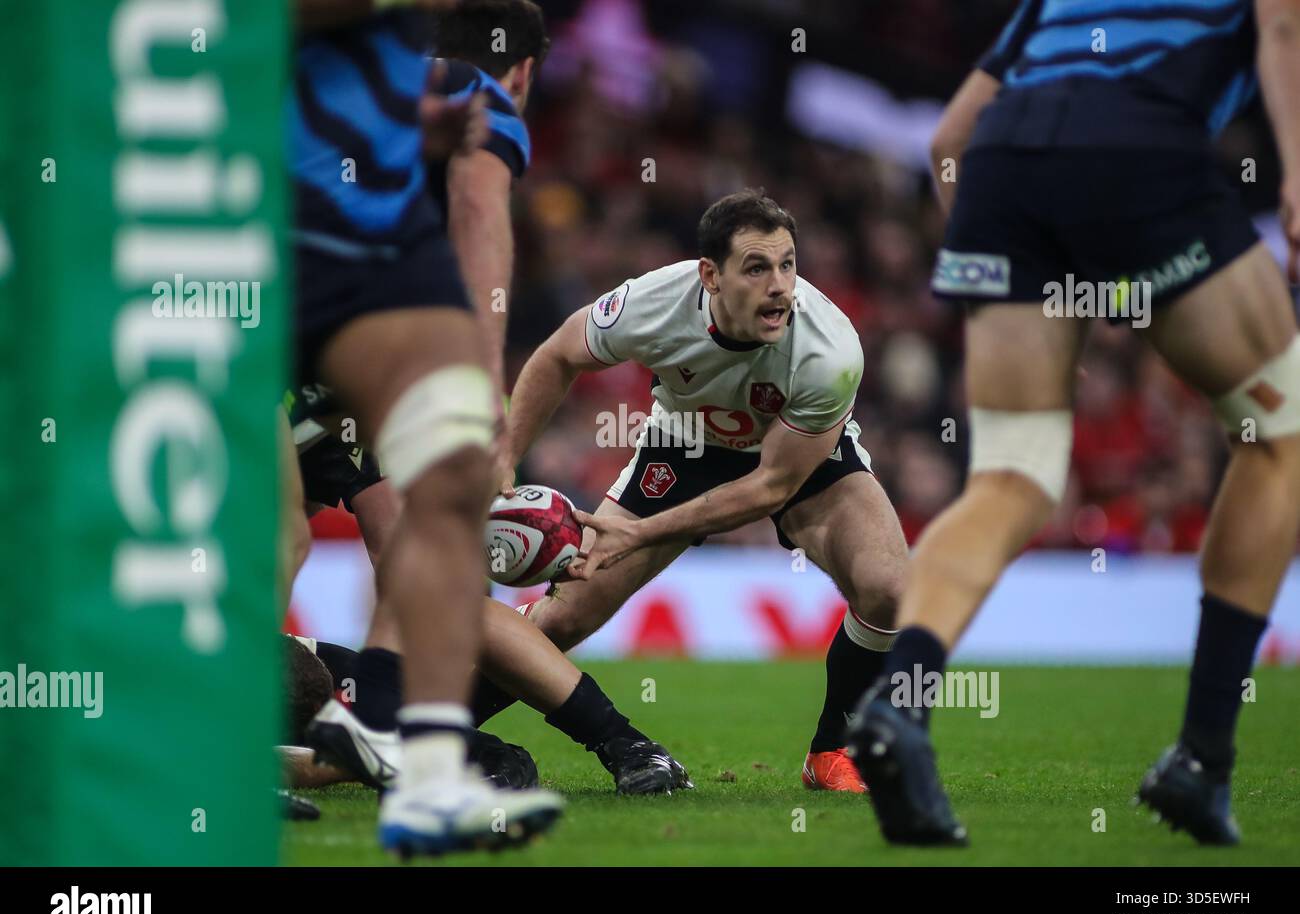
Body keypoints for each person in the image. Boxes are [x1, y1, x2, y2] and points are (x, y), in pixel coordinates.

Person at [848, 0, 1300, 846]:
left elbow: (950, 139)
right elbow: (1282, 28)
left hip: (1003, 166)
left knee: (1012, 474)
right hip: (1141, 148)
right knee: (1280, 435)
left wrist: (1024, 291)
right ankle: (1202, 758)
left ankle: (897, 705)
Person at [498, 189, 911, 792]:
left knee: (890, 589)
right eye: (757, 268)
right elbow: (558, 355)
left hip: (795, 454)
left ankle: (832, 752)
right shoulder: (654, 302)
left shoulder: (830, 350)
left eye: (788, 264)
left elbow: (773, 485)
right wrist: (505, 462)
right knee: (565, 616)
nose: (780, 286)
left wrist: (639, 532)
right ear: (710, 277)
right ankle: (427, 732)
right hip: (683, 445)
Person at [290, 0, 561, 856]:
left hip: (323, 283)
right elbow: (480, 211)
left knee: (433, 488)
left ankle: (406, 756)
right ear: (527, 70)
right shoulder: (474, 82)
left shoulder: (439, 77)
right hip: (248, 267)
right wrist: (482, 373)